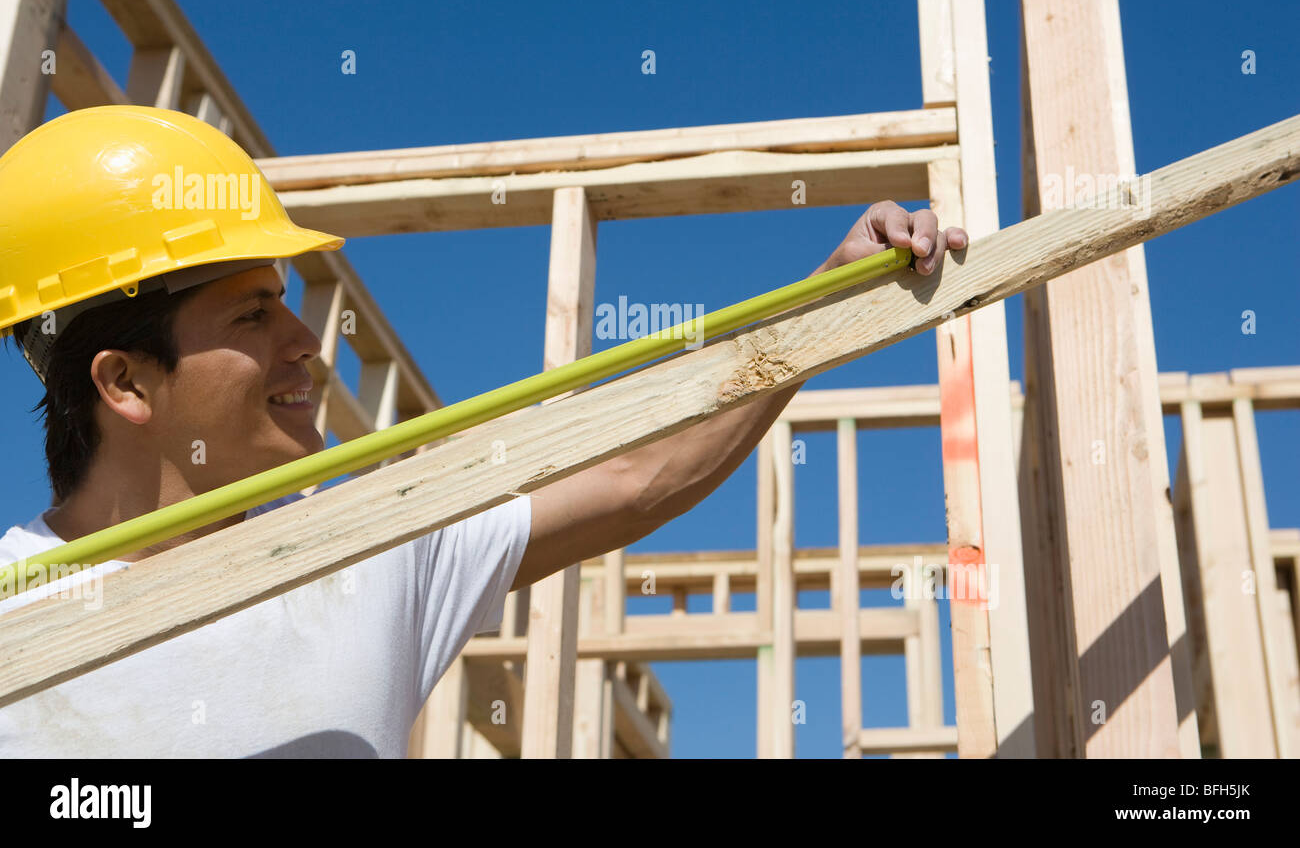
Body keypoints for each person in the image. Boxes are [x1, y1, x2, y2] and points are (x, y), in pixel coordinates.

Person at [0, 105, 967, 757]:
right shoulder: (11, 624)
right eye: (254, 316)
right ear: (123, 382)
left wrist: (821, 309)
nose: (309, 345)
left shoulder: (366, 555)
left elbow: (639, 475)